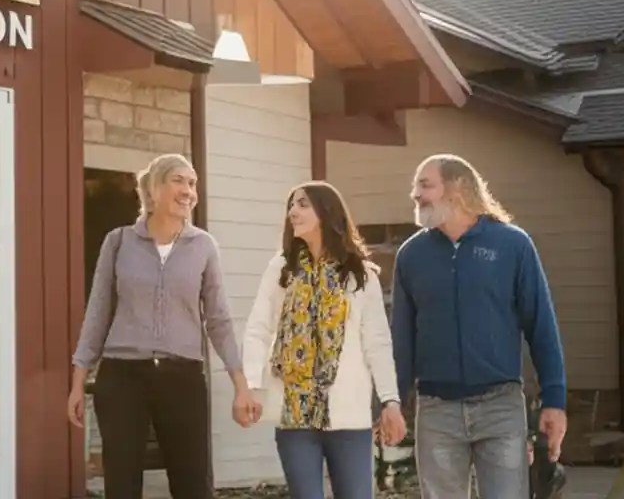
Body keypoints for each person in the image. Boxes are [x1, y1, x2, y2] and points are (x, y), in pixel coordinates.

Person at [67, 153, 259, 499]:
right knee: (121, 486)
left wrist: (240, 385)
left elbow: (218, 319)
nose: (188, 190)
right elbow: (97, 312)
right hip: (122, 376)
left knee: (192, 484)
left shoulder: (204, 246)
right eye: (179, 181)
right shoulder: (118, 242)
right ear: (155, 190)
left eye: (192, 183)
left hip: (182, 377)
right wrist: (78, 382)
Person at [392, 154, 568, 498]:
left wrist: (554, 400)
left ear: (456, 188)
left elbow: (542, 326)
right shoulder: (411, 256)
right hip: (436, 411)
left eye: (425, 185)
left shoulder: (513, 245)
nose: (415, 193)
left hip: (500, 408)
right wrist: (392, 403)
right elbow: (401, 337)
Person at [241, 181, 407, 499]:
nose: (293, 211)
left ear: (326, 211)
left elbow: (378, 343)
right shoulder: (281, 269)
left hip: (349, 415)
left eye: (302, 204)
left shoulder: (361, 275)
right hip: (295, 415)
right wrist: (251, 385)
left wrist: (390, 400)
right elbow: (258, 329)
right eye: (291, 205)